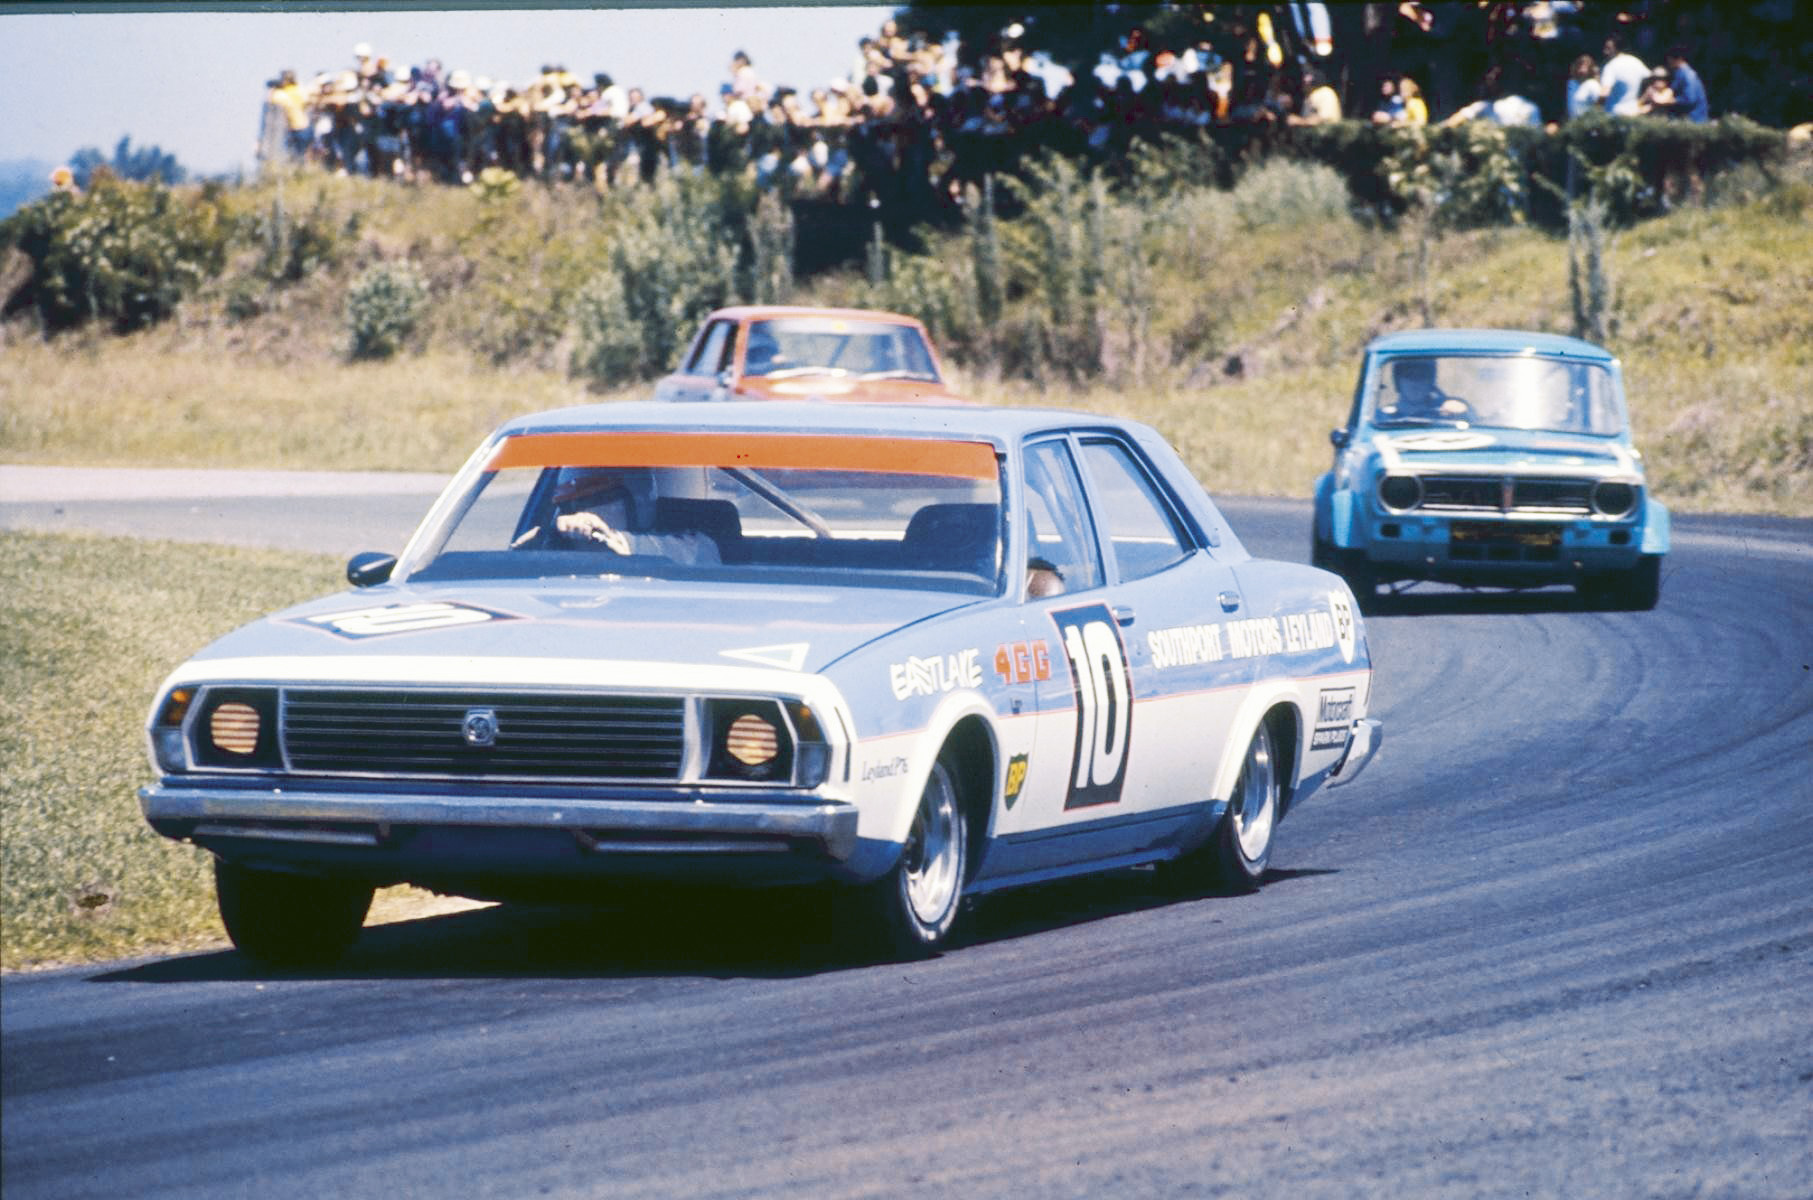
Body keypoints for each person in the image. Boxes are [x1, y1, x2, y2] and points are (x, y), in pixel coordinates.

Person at [526, 468, 721, 565]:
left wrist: (612, 540)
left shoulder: (694, 545)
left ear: (638, 502)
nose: (580, 514)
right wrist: (532, 545)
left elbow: (700, 554)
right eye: (568, 506)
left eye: (597, 499)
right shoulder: (552, 550)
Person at [1599, 34, 1648, 116]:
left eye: (1608, 48)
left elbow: (1604, 92)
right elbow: (1651, 81)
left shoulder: (1611, 66)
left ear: (1616, 48)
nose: (1605, 52)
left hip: (1614, 114)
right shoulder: (1635, 61)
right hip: (1633, 111)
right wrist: (1641, 102)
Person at [1661, 45, 1709, 123]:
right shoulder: (1679, 72)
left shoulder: (1688, 75)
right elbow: (1673, 88)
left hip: (1694, 119)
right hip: (1683, 117)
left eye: (1670, 60)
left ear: (1679, 59)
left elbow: (1690, 99)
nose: (1668, 63)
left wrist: (1670, 101)